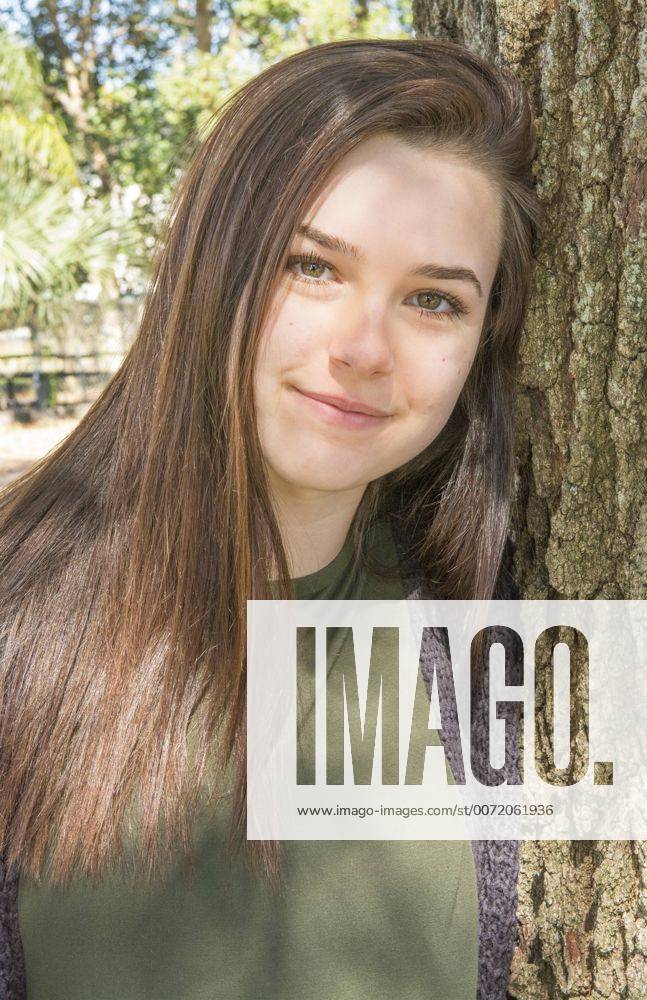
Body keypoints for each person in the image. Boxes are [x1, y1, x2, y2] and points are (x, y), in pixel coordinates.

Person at [0, 37, 542, 1000]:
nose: (363, 350)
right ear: (213, 266)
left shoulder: (505, 638)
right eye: (312, 266)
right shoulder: (17, 619)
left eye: (432, 300)